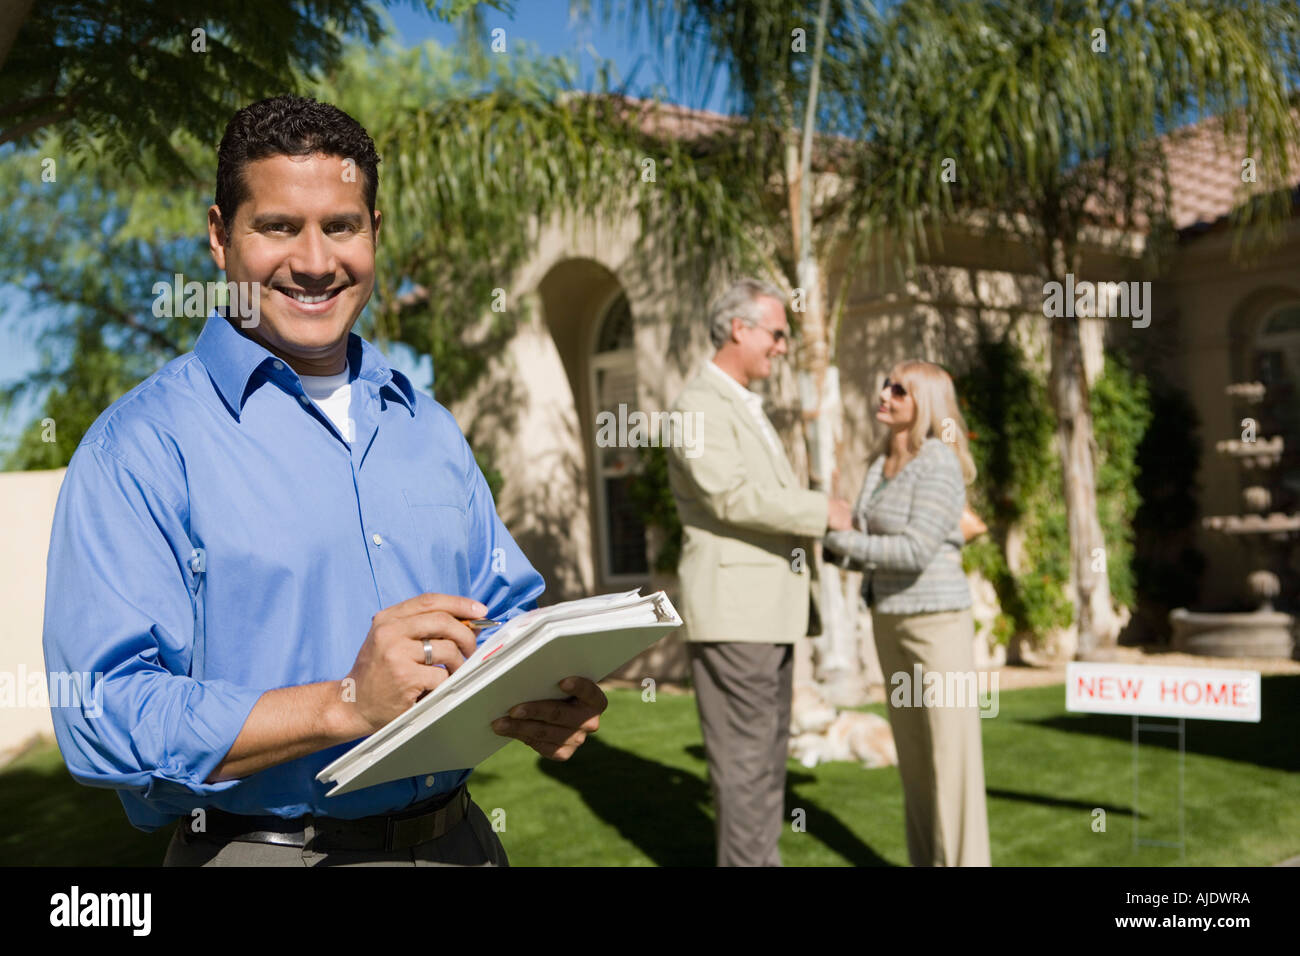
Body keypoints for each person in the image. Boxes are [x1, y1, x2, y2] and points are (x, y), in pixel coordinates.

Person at [41, 95, 607, 867]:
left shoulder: (427, 424)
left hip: (463, 844)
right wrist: (343, 703)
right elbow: (103, 714)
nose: (314, 262)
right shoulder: (138, 445)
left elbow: (500, 610)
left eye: (341, 226)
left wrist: (539, 689)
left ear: (374, 231)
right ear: (219, 237)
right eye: (278, 227)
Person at [667, 278, 853, 867]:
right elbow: (731, 496)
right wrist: (822, 509)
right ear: (738, 329)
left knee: (767, 767)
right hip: (735, 615)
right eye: (776, 333)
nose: (783, 345)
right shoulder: (698, 404)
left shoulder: (743, 403)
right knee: (746, 771)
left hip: (766, 613)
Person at [824, 359, 991, 867]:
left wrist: (844, 539)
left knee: (951, 759)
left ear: (927, 405)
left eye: (900, 389)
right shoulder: (879, 463)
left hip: (936, 624)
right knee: (915, 762)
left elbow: (917, 550)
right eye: (886, 383)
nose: (886, 393)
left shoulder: (938, 461)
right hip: (889, 618)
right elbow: (869, 541)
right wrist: (835, 537)